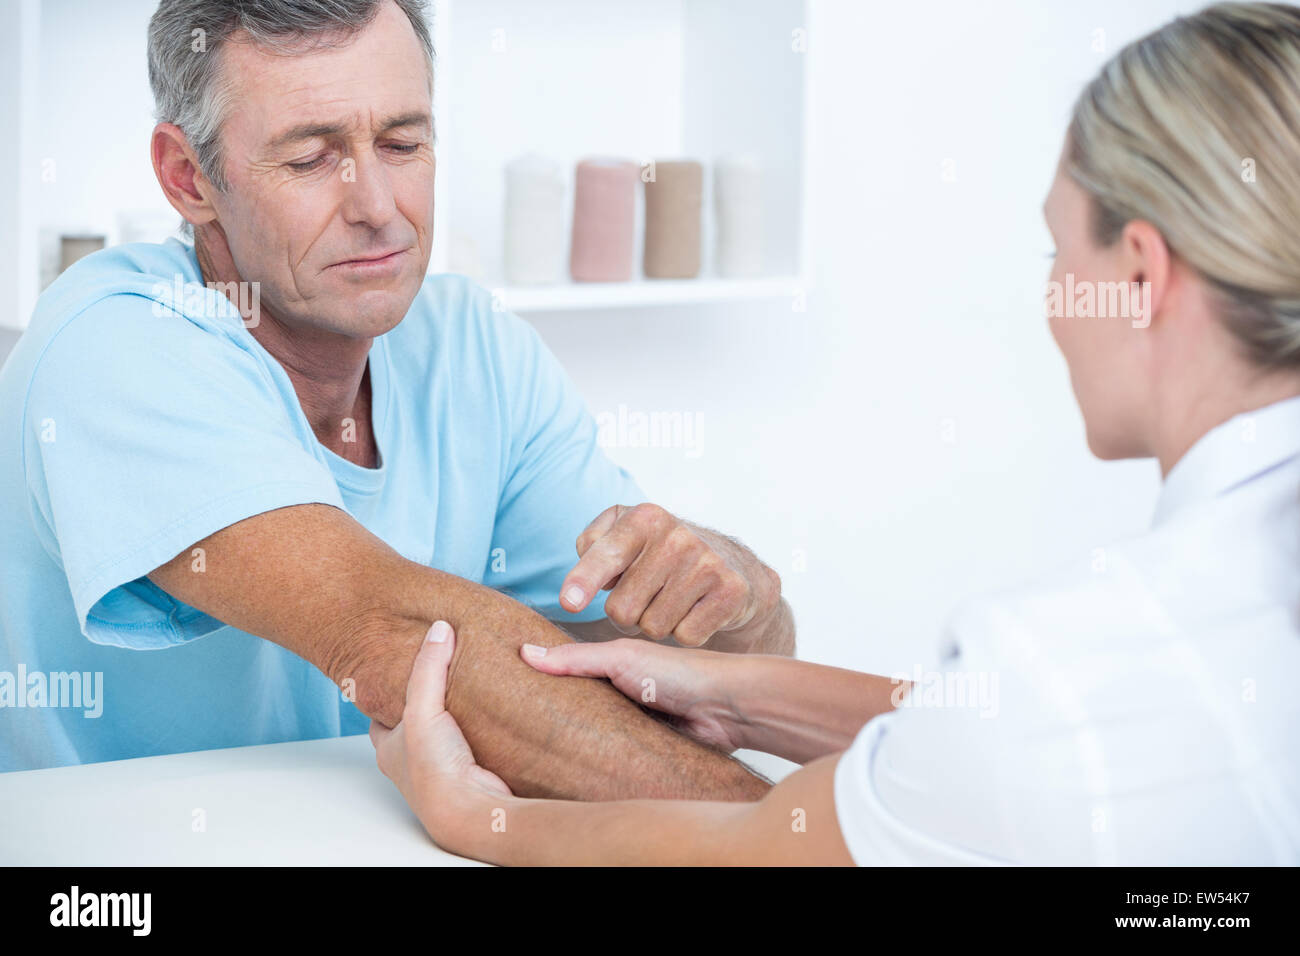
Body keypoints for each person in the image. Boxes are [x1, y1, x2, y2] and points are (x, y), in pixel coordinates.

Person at [371, 2, 1300, 865]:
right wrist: (728, 693)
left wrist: (479, 817)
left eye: (1060, 253)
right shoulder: (1191, 622)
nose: (1054, 302)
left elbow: (766, 852)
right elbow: (987, 735)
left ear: (1139, 276)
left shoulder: (1067, 664)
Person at [0, 0, 793, 801]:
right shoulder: (114, 347)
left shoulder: (470, 345)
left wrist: (743, 600)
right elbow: (400, 641)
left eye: (402, 143)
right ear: (188, 177)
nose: (377, 205)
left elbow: (683, 677)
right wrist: (802, 837)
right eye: (311, 158)